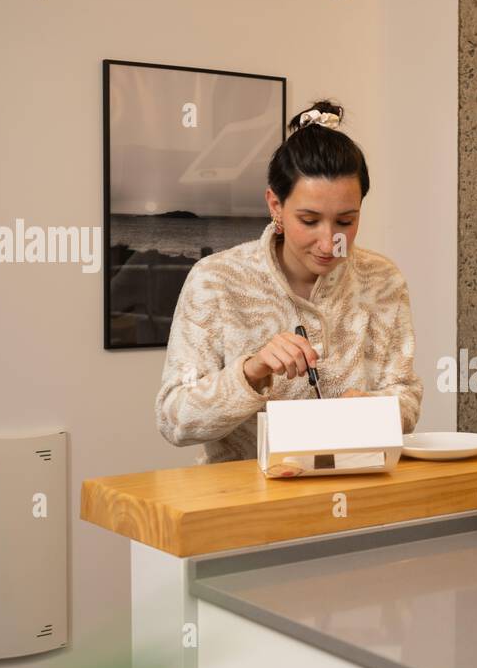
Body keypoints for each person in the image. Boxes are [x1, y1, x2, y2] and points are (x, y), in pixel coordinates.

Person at [156, 100, 423, 463]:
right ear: (275, 205)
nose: (329, 242)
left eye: (346, 221)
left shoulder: (382, 279)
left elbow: (406, 398)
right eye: (309, 221)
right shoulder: (214, 281)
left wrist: (374, 408)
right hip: (245, 503)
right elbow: (174, 419)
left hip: (360, 493)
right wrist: (251, 372)